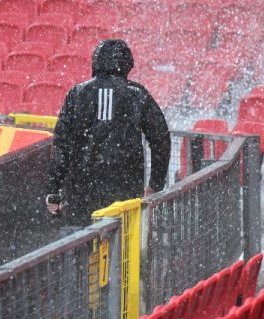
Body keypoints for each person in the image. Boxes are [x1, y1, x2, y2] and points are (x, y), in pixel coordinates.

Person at [46, 39, 171, 226]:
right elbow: (161, 139)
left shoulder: (77, 93)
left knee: (85, 239)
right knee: (124, 239)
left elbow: (62, 145)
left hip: (83, 184)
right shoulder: (137, 93)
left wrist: (54, 188)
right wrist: (155, 184)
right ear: (127, 64)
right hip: (125, 182)